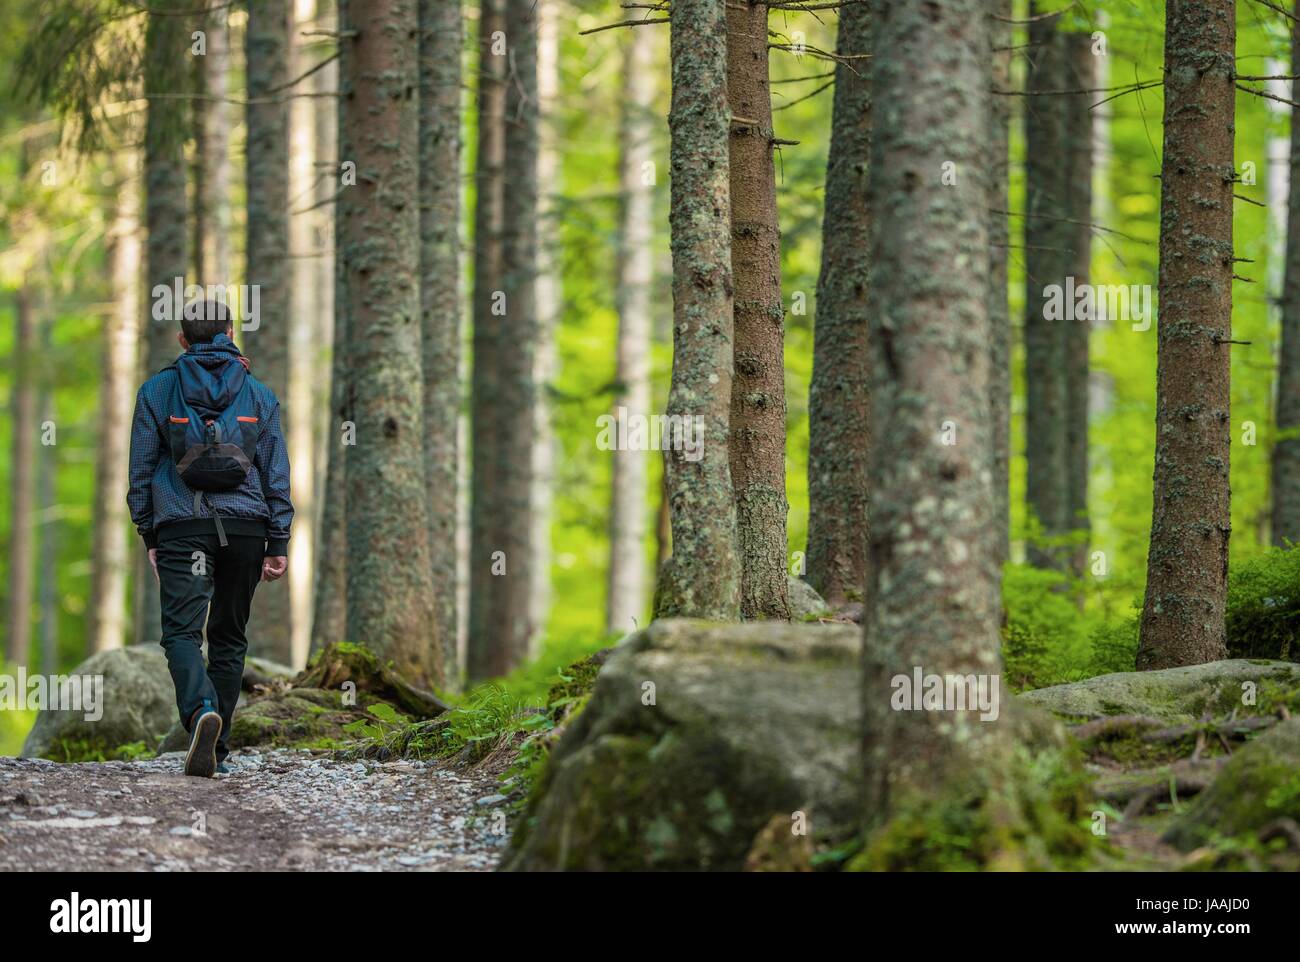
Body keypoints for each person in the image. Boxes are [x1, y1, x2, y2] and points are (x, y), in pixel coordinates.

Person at [127, 300, 292, 777]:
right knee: (229, 635)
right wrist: (278, 540)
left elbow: (140, 470)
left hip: (183, 526)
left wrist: (148, 532)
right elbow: (275, 472)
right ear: (230, 332)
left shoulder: (158, 390)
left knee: (181, 632)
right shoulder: (259, 395)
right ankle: (216, 749)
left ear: (183, 339)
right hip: (247, 529)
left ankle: (202, 713)